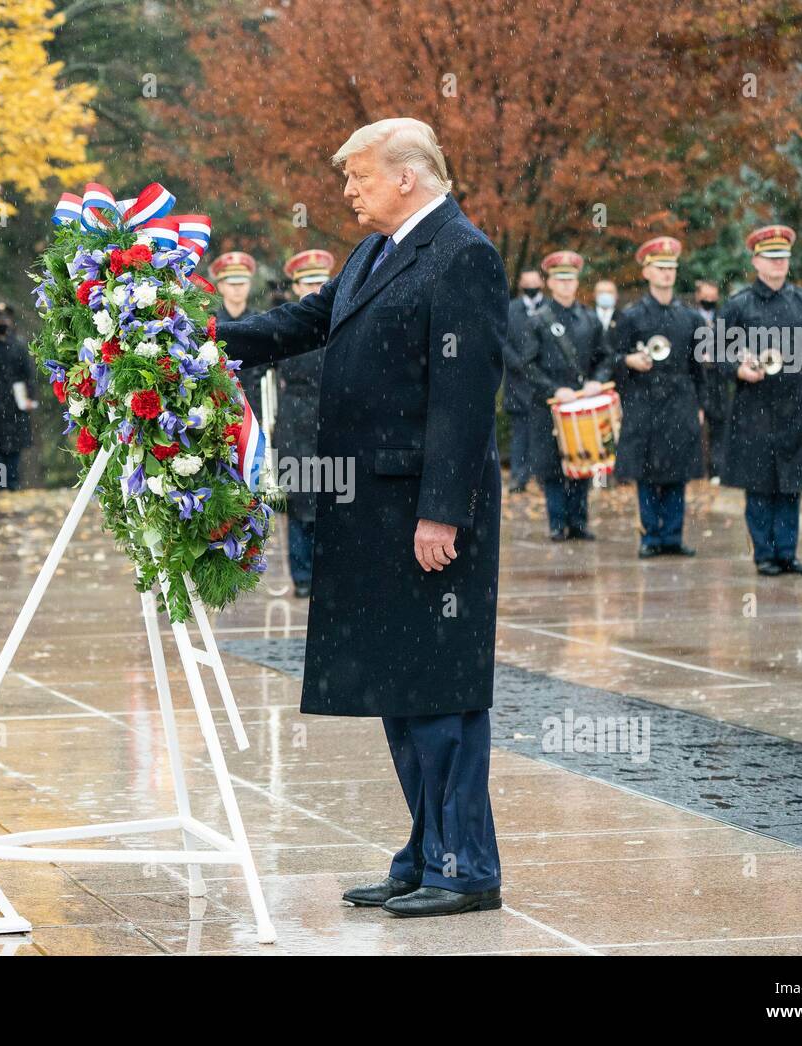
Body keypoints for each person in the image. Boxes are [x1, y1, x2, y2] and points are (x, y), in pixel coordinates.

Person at [219, 117, 505, 917]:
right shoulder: (377, 251)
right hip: (373, 513)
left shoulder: (463, 255)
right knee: (400, 687)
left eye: (358, 177)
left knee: (441, 692)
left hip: (424, 516)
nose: (346, 193)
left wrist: (442, 514)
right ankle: (424, 851)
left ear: (406, 176)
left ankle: (465, 866)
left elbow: (464, 401)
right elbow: (305, 322)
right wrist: (204, 342)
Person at [718, 225, 802, 576]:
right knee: (760, 485)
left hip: (796, 406)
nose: (779, 263)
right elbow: (713, 352)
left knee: (791, 485)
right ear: (755, 261)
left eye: (783, 257)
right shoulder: (738, 305)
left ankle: (787, 552)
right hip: (754, 408)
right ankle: (764, 553)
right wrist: (738, 367)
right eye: (771, 257)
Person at [613, 237, 706, 558]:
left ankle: (672, 536)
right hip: (645, 400)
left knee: (677, 472)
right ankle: (651, 536)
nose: (667, 274)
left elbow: (699, 366)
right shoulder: (632, 316)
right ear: (647, 272)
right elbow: (611, 356)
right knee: (648, 472)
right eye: (660, 267)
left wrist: (701, 404)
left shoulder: (691, 318)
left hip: (680, 400)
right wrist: (628, 361)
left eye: (671, 268)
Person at [519, 250, 613, 540]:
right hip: (550, 405)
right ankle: (558, 523)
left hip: (582, 402)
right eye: (560, 279)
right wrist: (554, 389)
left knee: (583, 463)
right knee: (552, 468)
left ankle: (579, 522)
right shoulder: (537, 320)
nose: (566, 284)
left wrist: (596, 382)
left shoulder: (589, 319)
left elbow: (606, 358)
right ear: (549, 282)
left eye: (570, 279)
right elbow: (527, 364)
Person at [272, 250, 333, 598]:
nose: (314, 287)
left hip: (332, 414)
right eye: (308, 282)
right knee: (299, 502)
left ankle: (329, 573)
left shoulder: (340, 318)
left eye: (320, 281)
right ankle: (303, 576)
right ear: (295, 286)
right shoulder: (285, 323)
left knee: (334, 498)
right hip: (295, 419)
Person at [0, 301, 37, 491]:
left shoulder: (19, 345)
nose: (2, 321)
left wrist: (30, 398)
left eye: (5, 318)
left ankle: (13, 483)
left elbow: (28, 375)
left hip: (15, 401)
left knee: (14, 446)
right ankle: (0, 484)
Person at [210, 252, 264, 420]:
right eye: (232, 283)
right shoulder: (209, 322)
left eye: (242, 282)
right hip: (218, 406)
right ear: (220, 286)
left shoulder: (261, 322)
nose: (237, 288)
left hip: (255, 407)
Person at [694, 279, 729, 480]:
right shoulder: (689, 318)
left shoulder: (723, 318)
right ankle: (697, 470)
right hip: (697, 378)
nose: (710, 300)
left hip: (716, 380)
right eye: (706, 296)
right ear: (698, 296)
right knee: (694, 426)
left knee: (719, 425)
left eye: (713, 297)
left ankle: (717, 469)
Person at [501, 293, 533, 492]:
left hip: (541, 387)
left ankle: (540, 477)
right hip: (518, 384)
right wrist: (520, 364)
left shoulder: (546, 310)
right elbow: (503, 341)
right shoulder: (511, 310)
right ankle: (518, 477)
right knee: (520, 434)